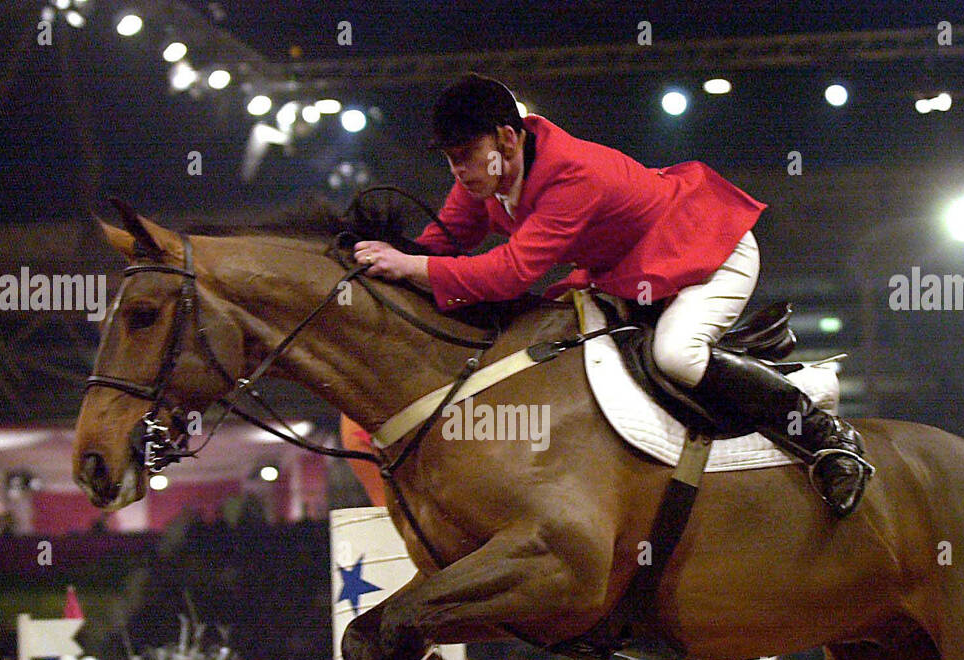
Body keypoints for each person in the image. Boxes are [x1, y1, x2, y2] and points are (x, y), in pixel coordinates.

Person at [353, 73, 868, 516]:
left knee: (676, 355)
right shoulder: (486, 177)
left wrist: (411, 266)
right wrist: (385, 263)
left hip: (709, 251)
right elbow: (445, 240)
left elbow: (510, 274)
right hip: (631, 272)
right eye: (450, 161)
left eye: (465, 157)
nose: (458, 173)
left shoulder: (572, 174)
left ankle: (825, 434)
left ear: (507, 139)